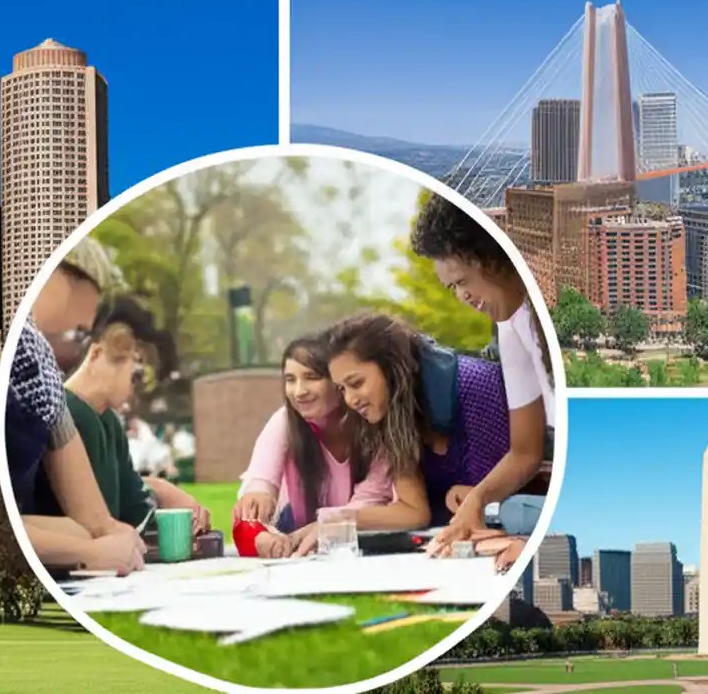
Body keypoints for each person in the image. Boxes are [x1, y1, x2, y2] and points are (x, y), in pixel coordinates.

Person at [409, 194, 555, 552]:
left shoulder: (550, 315)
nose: (463, 297)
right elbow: (524, 452)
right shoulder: (509, 329)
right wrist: (477, 500)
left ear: (491, 257)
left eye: (462, 281)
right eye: (452, 288)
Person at [325, 313, 544, 531]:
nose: (350, 400)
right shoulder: (389, 418)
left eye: (356, 383)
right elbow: (414, 511)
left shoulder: (477, 386)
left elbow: (490, 498)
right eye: (342, 389)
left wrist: (472, 497)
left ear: (391, 367)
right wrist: (329, 523)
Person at [5, 239, 146, 574]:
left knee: (75, 530)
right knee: (73, 533)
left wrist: (109, 535)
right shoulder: (23, 350)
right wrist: (88, 550)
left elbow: (97, 520)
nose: (86, 323)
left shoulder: (39, 359)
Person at [233, 335, 432, 557]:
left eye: (312, 377)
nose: (299, 391)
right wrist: (260, 527)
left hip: (359, 528)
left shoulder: (374, 425)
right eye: (290, 379)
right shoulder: (284, 423)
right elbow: (256, 496)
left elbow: (368, 503)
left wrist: (328, 524)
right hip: (296, 526)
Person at [48, 309, 211, 534]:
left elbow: (133, 507)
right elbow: (99, 524)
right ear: (96, 353)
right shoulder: (68, 412)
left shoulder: (108, 421)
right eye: (136, 376)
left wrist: (176, 515)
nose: (136, 394)